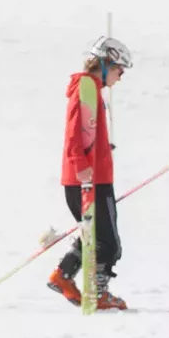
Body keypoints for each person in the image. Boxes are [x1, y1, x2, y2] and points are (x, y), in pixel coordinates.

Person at [48, 37, 132, 311]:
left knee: (94, 237)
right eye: (120, 69)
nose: (121, 77)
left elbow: (85, 133)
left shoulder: (89, 89)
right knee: (109, 244)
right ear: (106, 64)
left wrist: (100, 149)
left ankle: (63, 275)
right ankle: (98, 293)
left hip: (87, 178)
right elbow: (73, 133)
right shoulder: (87, 89)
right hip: (90, 180)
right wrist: (81, 163)